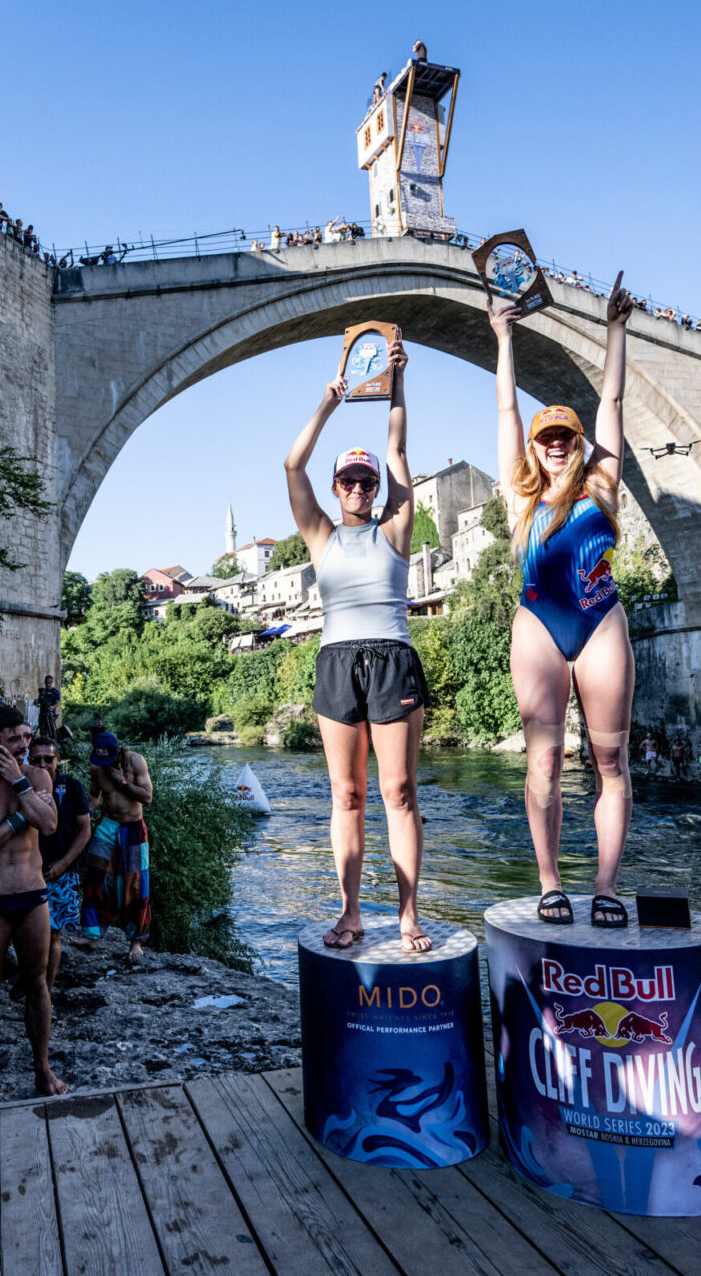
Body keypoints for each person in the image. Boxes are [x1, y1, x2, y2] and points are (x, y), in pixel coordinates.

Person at [491, 274, 639, 928]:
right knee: (545, 759)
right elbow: (505, 412)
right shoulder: (521, 498)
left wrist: (616, 331)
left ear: (577, 445)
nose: (553, 444)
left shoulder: (602, 486)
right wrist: (503, 337)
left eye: (564, 437)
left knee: (610, 759)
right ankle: (550, 881)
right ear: (535, 447)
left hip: (600, 619)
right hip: (538, 627)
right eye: (545, 437)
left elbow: (611, 398)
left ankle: (605, 887)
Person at [282, 329, 430, 951]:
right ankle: (350, 913)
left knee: (397, 791)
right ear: (338, 486)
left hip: (393, 659)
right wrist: (327, 403)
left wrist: (397, 380)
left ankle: (407, 915)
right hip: (337, 663)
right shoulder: (320, 536)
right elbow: (293, 465)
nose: (360, 490)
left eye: (366, 483)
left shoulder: (394, 529)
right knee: (347, 793)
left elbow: (397, 448)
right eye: (350, 481)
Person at [0, 706, 69, 1107]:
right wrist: (19, 822)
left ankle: (43, 1068)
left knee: (37, 983)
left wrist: (19, 783)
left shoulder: (36, 775)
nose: (24, 744)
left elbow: (50, 824)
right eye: (15, 738)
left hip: (32, 896)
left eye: (25, 736)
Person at [83, 732, 154, 960]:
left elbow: (147, 797)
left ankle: (136, 942)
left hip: (133, 827)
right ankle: (92, 935)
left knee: (135, 884)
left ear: (118, 750)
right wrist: (88, 813)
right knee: (95, 877)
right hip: (108, 824)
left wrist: (122, 781)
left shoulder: (136, 761)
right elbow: (94, 795)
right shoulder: (96, 766)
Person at [30, 736, 92, 986]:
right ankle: (31, 981)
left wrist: (64, 863)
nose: (43, 764)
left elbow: (85, 830)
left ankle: (47, 987)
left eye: (49, 758)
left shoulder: (72, 786)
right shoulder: (22, 786)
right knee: (30, 934)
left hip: (62, 872)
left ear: (58, 760)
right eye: (36, 759)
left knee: (53, 934)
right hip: (29, 872)